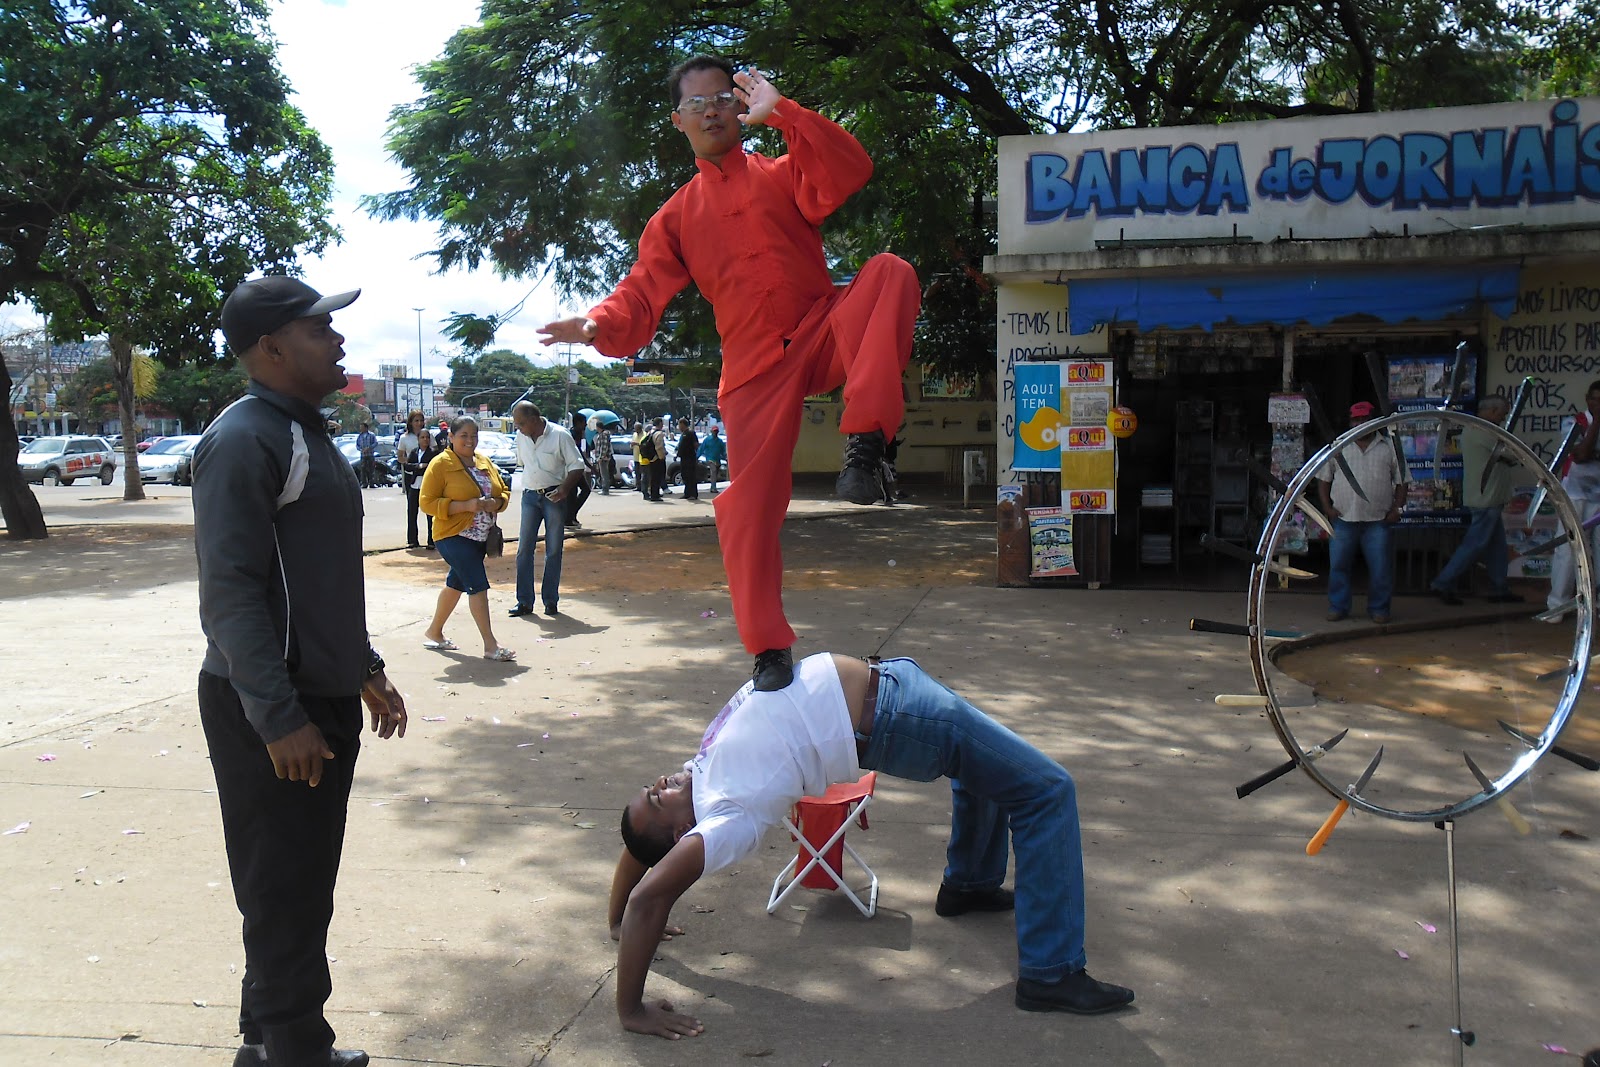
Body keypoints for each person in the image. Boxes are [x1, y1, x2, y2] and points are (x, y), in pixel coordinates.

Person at [539, 56, 920, 692]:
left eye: (722, 98)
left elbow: (849, 171)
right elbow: (640, 294)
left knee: (891, 272)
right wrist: (597, 324)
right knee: (746, 510)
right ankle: (769, 650)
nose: (712, 109)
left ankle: (868, 443)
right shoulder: (676, 216)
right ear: (679, 120)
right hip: (751, 370)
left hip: (821, 330)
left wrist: (789, 114)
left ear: (740, 108)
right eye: (698, 103)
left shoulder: (781, 172)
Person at [608, 653, 1134, 1040]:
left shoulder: (700, 772)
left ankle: (969, 884)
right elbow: (651, 895)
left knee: (992, 769)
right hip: (900, 717)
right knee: (1046, 790)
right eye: (655, 802)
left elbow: (639, 850)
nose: (656, 786)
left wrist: (615, 923)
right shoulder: (728, 816)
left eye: (648, 789)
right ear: (681, 834)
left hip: (897, 689)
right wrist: (630, 1008)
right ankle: (1052, 972)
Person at [195, 275, 409, 1067]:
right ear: (270, 347)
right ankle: (294, 1050)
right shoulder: (246, 437)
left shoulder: (304, 431)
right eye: (319, 326)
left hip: (315, 691)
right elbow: (232, 594)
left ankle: (267, 1040)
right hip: (271, 705)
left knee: (297, 882)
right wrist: (279, 715)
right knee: (284, 887)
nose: (337, 339)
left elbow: (317, 580)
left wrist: (364, 665)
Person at [419, 414, 516, 661]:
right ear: (450, 437)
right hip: (453, 536)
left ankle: (434, 632)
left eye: (474, 436)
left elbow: (502, 490)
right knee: (477, 584)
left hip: (481, 538)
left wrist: (497, 502)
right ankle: (490, 645)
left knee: (456, 584)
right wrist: (466, 506)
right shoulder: (440, 464)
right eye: (463, 436)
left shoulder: (483, 461)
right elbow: (427, 503)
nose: (470, 441)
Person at [1316, 401, 1410, 624]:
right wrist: (1326, 507)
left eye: (1364, 419)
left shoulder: (1389, 447)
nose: (1360, 424)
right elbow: (1323, 479)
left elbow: (1403, 481)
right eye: (1356, 420)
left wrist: (1399, 508)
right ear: (1350, 422)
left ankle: (1379, 608)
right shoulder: (1338, 446)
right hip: (1343, 518)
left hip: (1378, 520)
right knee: (1339, 566)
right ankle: (1338, 606)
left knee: (1380, 569)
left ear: (1374, 421)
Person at [1429, 396, 1524, 605]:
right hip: (1486, 498)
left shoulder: (1477, 429)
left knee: (1496, 546)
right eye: (1502, 412)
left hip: (1489, 497)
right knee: (1474, 544)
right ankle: (1443, 582)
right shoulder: (1483, 431)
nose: (1504, 416)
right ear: (1491, 411)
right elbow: (1512, 454)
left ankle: (1499, 588)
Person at [509, 401, 586, 618]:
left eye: (521, 423)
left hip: (554, 496)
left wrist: (564, 489)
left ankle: (550, 600)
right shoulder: (521, 437)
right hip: (530, 495)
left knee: (553, 550)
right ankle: (524, 601)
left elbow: (577, 465)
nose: (519, 428)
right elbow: (523, 464)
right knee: (524, 550)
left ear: (534, 420)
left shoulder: (560, 435)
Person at [1546, 381, 1600, 620]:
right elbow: (1581, 454)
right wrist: (1597, 421)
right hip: (1574, 492)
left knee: (1598, 549)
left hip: (1598, 495)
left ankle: (1593, 602)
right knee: (1569, 549)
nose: (1597, 404)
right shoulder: (1575, 422)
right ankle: (1557, 604)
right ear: (1587, 398)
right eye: (1595, 399)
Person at [404, 420, 442, 550]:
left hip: (428, 486)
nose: (425, 440)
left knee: (430, 515)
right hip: (414, 485)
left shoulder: (433, 453)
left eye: (427, 437)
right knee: (412, 513)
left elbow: (433, 468)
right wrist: (418, 466)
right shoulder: (414, 452)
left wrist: (422, 468)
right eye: (422, 437)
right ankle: (412, 540)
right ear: (418, 439)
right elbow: (407, 466)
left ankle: (432, 541)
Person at [397, 409, 428, 547]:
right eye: (416, 420)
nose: (419, 423)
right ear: (410, 422)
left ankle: (433, 540)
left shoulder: (428, 436)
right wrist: (413, 464)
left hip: (427, 477)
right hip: (412, 477)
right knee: (412, 509)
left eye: (421, 420)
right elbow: (400, 456)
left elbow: (434, 454)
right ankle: (412, 540)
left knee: (430, 510)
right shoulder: (405, 438)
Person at [564, 411, 594, 526]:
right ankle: (568, 519)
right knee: (573, 493)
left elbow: (580, 451)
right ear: (578, 423)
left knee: (583, 490)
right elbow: (577, 453)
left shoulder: (578, 434)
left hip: (575, 467)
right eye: (584, 423)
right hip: (570, 468)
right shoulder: (572, 434)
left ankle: (571, 516)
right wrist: (589, 466)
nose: (585, 426)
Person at [697, 424, 727, 495]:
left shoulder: (720, 441)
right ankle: (713, 487)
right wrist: (697, 457)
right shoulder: (707, 440)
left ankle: (712, 486)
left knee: (715, 473)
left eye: (716, 431)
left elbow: (723, 451)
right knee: (713, 470)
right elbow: (701, 449)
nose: (715, 432)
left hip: (717, 460)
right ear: (711, 432)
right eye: (714, 431)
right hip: (710, 459)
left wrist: (726, 457)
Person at [675, 417, 700, 500]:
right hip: (683, 458)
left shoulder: (691, 433)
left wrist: (696, 455)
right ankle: (687, 493)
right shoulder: (683, 434)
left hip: (690, 458)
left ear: (683, 424)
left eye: (679, 425)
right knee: (685, 475)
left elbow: (696, 444)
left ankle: (693, 494)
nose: (679, 427)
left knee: (691, 476)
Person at [649, 417, 670, 501]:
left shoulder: (650, 432)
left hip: (651, 458)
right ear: (660, 424)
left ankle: (653, 493)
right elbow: (659, 447)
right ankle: (655, 495)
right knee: (658, 477)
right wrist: (662, 457)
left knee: (653, 477)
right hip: (657, 458)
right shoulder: (659, 434)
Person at [594, 419, 615, 495]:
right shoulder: (603, 434)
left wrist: (600, 457)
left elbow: (604, 447)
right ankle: (604, 489)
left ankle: (605, 490)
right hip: (604, 457)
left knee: (604, 474)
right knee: (604, 474)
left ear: (598, 427)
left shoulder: (603, 435)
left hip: (604, 458)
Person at [355, 421, 377, 488]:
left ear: (366, 428)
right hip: (363, 455)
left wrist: (369, 448)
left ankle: (372, 483)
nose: (361, 429)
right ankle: (364, 483)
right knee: (363, 469)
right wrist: (361, 450)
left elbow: (375, 443)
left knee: (371, 469)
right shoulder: (360, 436)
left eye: (362, 427)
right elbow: (357, 445)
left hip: (370, 455)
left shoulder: (371, 435)